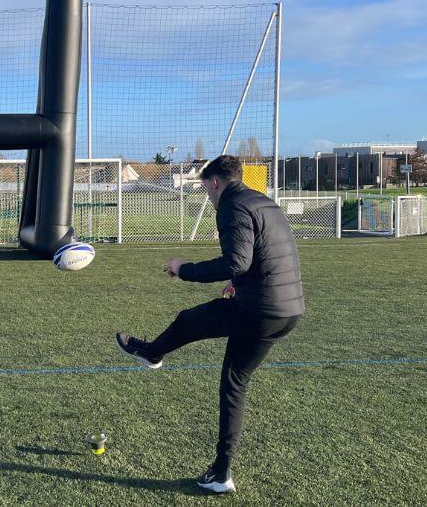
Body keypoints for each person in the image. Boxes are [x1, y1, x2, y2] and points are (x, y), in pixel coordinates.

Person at [115, 154, 304, 494]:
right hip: (287, 310)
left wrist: (182, 268)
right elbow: (265, 256)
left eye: (206, 190)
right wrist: (238, 283)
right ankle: (220, 472)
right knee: (234, 382)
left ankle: (152, 354)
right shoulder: (263, 201)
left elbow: (236, 260)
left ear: (215, 182)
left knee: (191, 323)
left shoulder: (232, 206)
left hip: (259, 309)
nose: (209, 196)